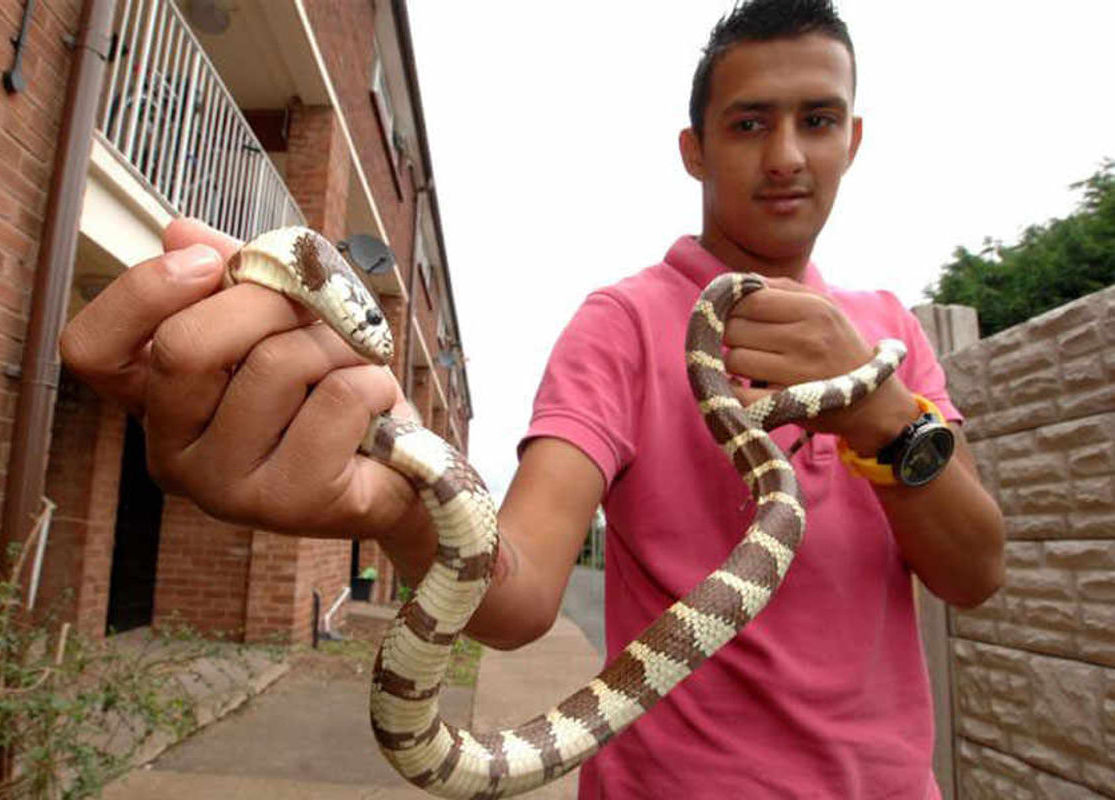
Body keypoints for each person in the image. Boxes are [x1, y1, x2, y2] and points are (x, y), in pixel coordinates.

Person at [60, 0, 1005, 796]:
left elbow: (975, 574)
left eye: (819, 119)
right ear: (695, 146)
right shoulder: (624, 325)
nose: (788, 155)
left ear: (856, 137)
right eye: (751, 122)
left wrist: (880, 413)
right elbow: (516, 606)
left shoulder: (887, 335)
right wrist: (398, 499)